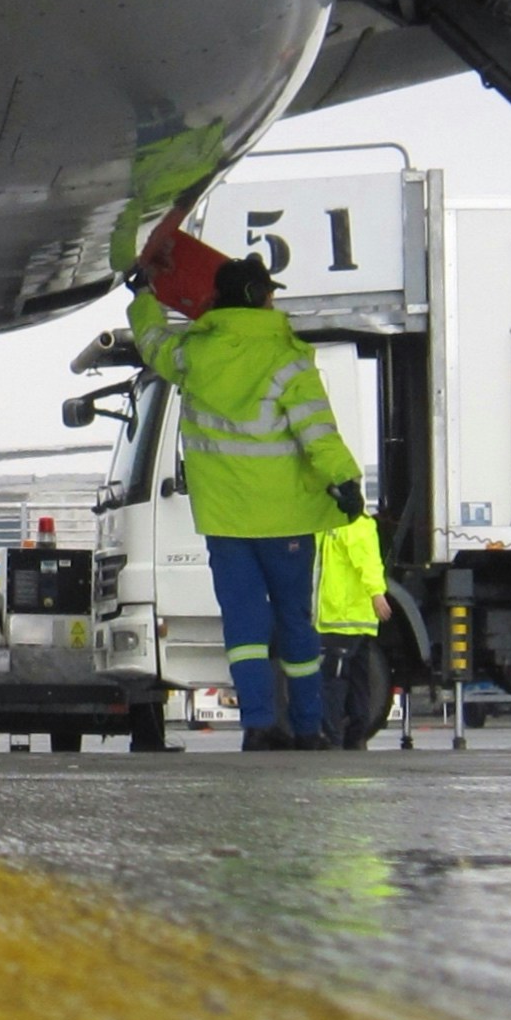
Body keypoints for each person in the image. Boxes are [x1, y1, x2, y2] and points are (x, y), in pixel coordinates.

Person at [125, 252, 363, 751]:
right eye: (270, 291)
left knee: (245, 625)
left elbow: (151, 345)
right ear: (258, 296)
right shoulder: (286, 356)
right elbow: (317, 431)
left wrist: (144, 298)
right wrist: (344, 480)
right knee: (296, 623)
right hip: (286, 518)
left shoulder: (195, 355)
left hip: (226, 519)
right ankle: (308, 726)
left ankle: (257, 725)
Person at [314, 505, 392, 749]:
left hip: (341, 619)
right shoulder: (339, 525)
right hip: (354, 620)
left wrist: (377, 593)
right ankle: (355, 737)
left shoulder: (349, 526)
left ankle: (333, 739)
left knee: (334, 683)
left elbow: (368, 564)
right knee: (358, 681)